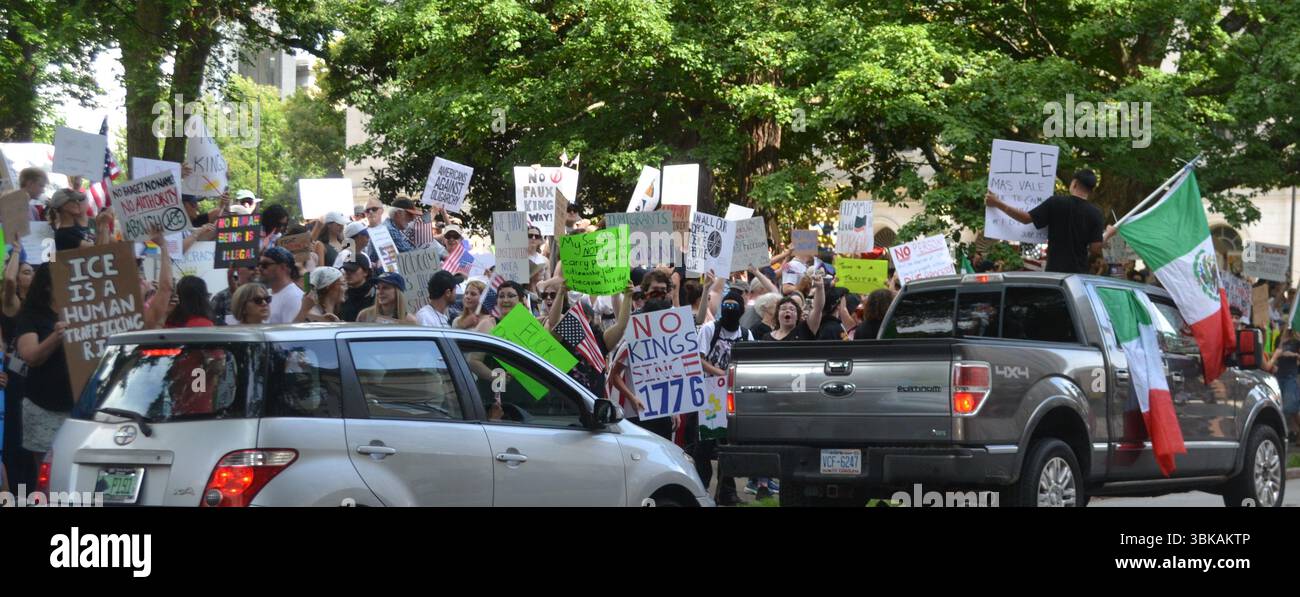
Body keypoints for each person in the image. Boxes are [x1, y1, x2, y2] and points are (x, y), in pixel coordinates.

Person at [694, 289, 754, 504]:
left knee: (729, 446)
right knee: (706, 447)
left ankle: (727, 492)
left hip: (733, 397)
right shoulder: (710, 329)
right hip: (711, 395)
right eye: (726, 305)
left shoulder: (746, 335)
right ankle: (701, 488)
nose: (729, 309)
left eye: (734, 306)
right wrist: (719, 372)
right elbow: (698, 358)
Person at [985, 169, 1104, 274]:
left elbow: (1025, 219)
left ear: (1074, 184)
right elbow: (1095, 249)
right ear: (1091, 190)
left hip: (1055, 270)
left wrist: (997, 203)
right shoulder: (1096, 213)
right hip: (1079, 273)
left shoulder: (1056, 202)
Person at [15, 264, 71, 469]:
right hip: (43, 407)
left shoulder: (79, 311)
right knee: (48, 473)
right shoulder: (31, 316)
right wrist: (56, 336)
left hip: (76, 408)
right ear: (48, 286)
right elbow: (31, 356)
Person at [607, 298, 674, 440]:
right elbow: (615, 375)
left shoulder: (671, 344)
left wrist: (676, 410)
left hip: (664, 413)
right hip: (638, 413)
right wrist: (631, 397)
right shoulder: (631, 343)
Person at [763, 271, 825, 341]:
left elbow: (818, 309)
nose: (787, 311)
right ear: (777, 314)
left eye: (792, 309)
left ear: (798, 315)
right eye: (783, 309)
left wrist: (820, 288)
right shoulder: (767, 337)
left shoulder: (805, 330)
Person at [1266, 328, 1300, 445]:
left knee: (1292, 408)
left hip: (1291, 376)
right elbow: (1275, 352)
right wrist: (1281, 343)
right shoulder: (1280, 338)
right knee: (1281, 406)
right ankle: (1281, 436)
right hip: (1279, 375)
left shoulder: (1297, 341)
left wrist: (1294, 355)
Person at [258, 247, 305, 324]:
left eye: (265, 265)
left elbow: (291, 333)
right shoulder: (266, 294)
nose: (259, 268)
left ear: (283, 267)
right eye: (259, 264)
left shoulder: (293, 297)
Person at [340, 254, 376, 322]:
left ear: (365, 272)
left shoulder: (375, 294)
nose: (348, 273)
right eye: (346, 269)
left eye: (352, 270)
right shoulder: (343, 294)